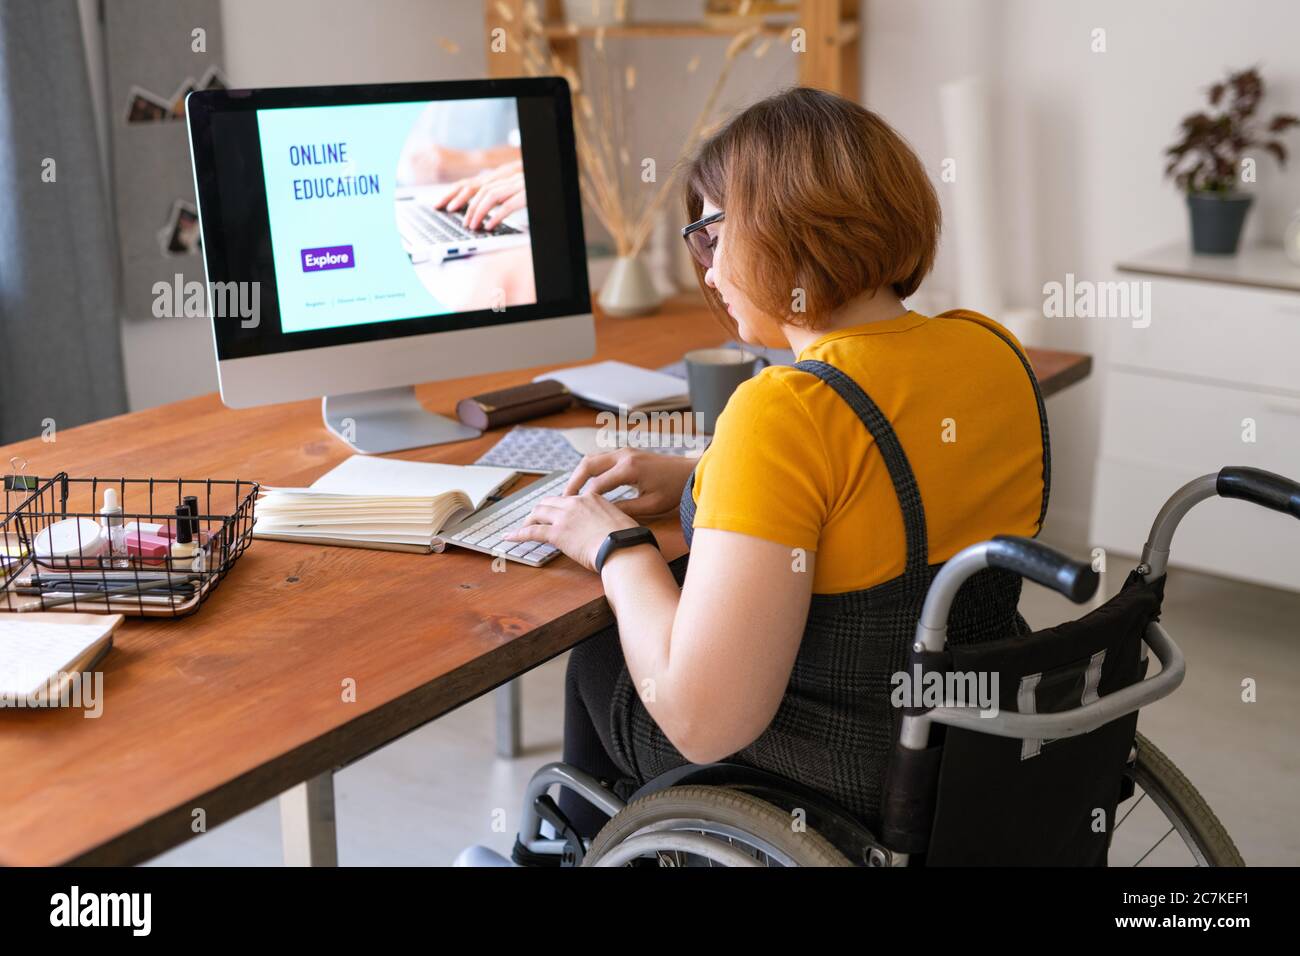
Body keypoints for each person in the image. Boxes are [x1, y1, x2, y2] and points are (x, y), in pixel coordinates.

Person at [504, 86, 1050, 845]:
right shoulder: (989, 349)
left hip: (844, 778)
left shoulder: (784, 409)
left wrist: (615, 547)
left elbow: (701, 722)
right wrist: (704, 474)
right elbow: (872, 478)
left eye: (712, 233)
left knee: (601, 647)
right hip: (971, 751)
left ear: (782, 226)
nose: (709, 268)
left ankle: (582, 846)